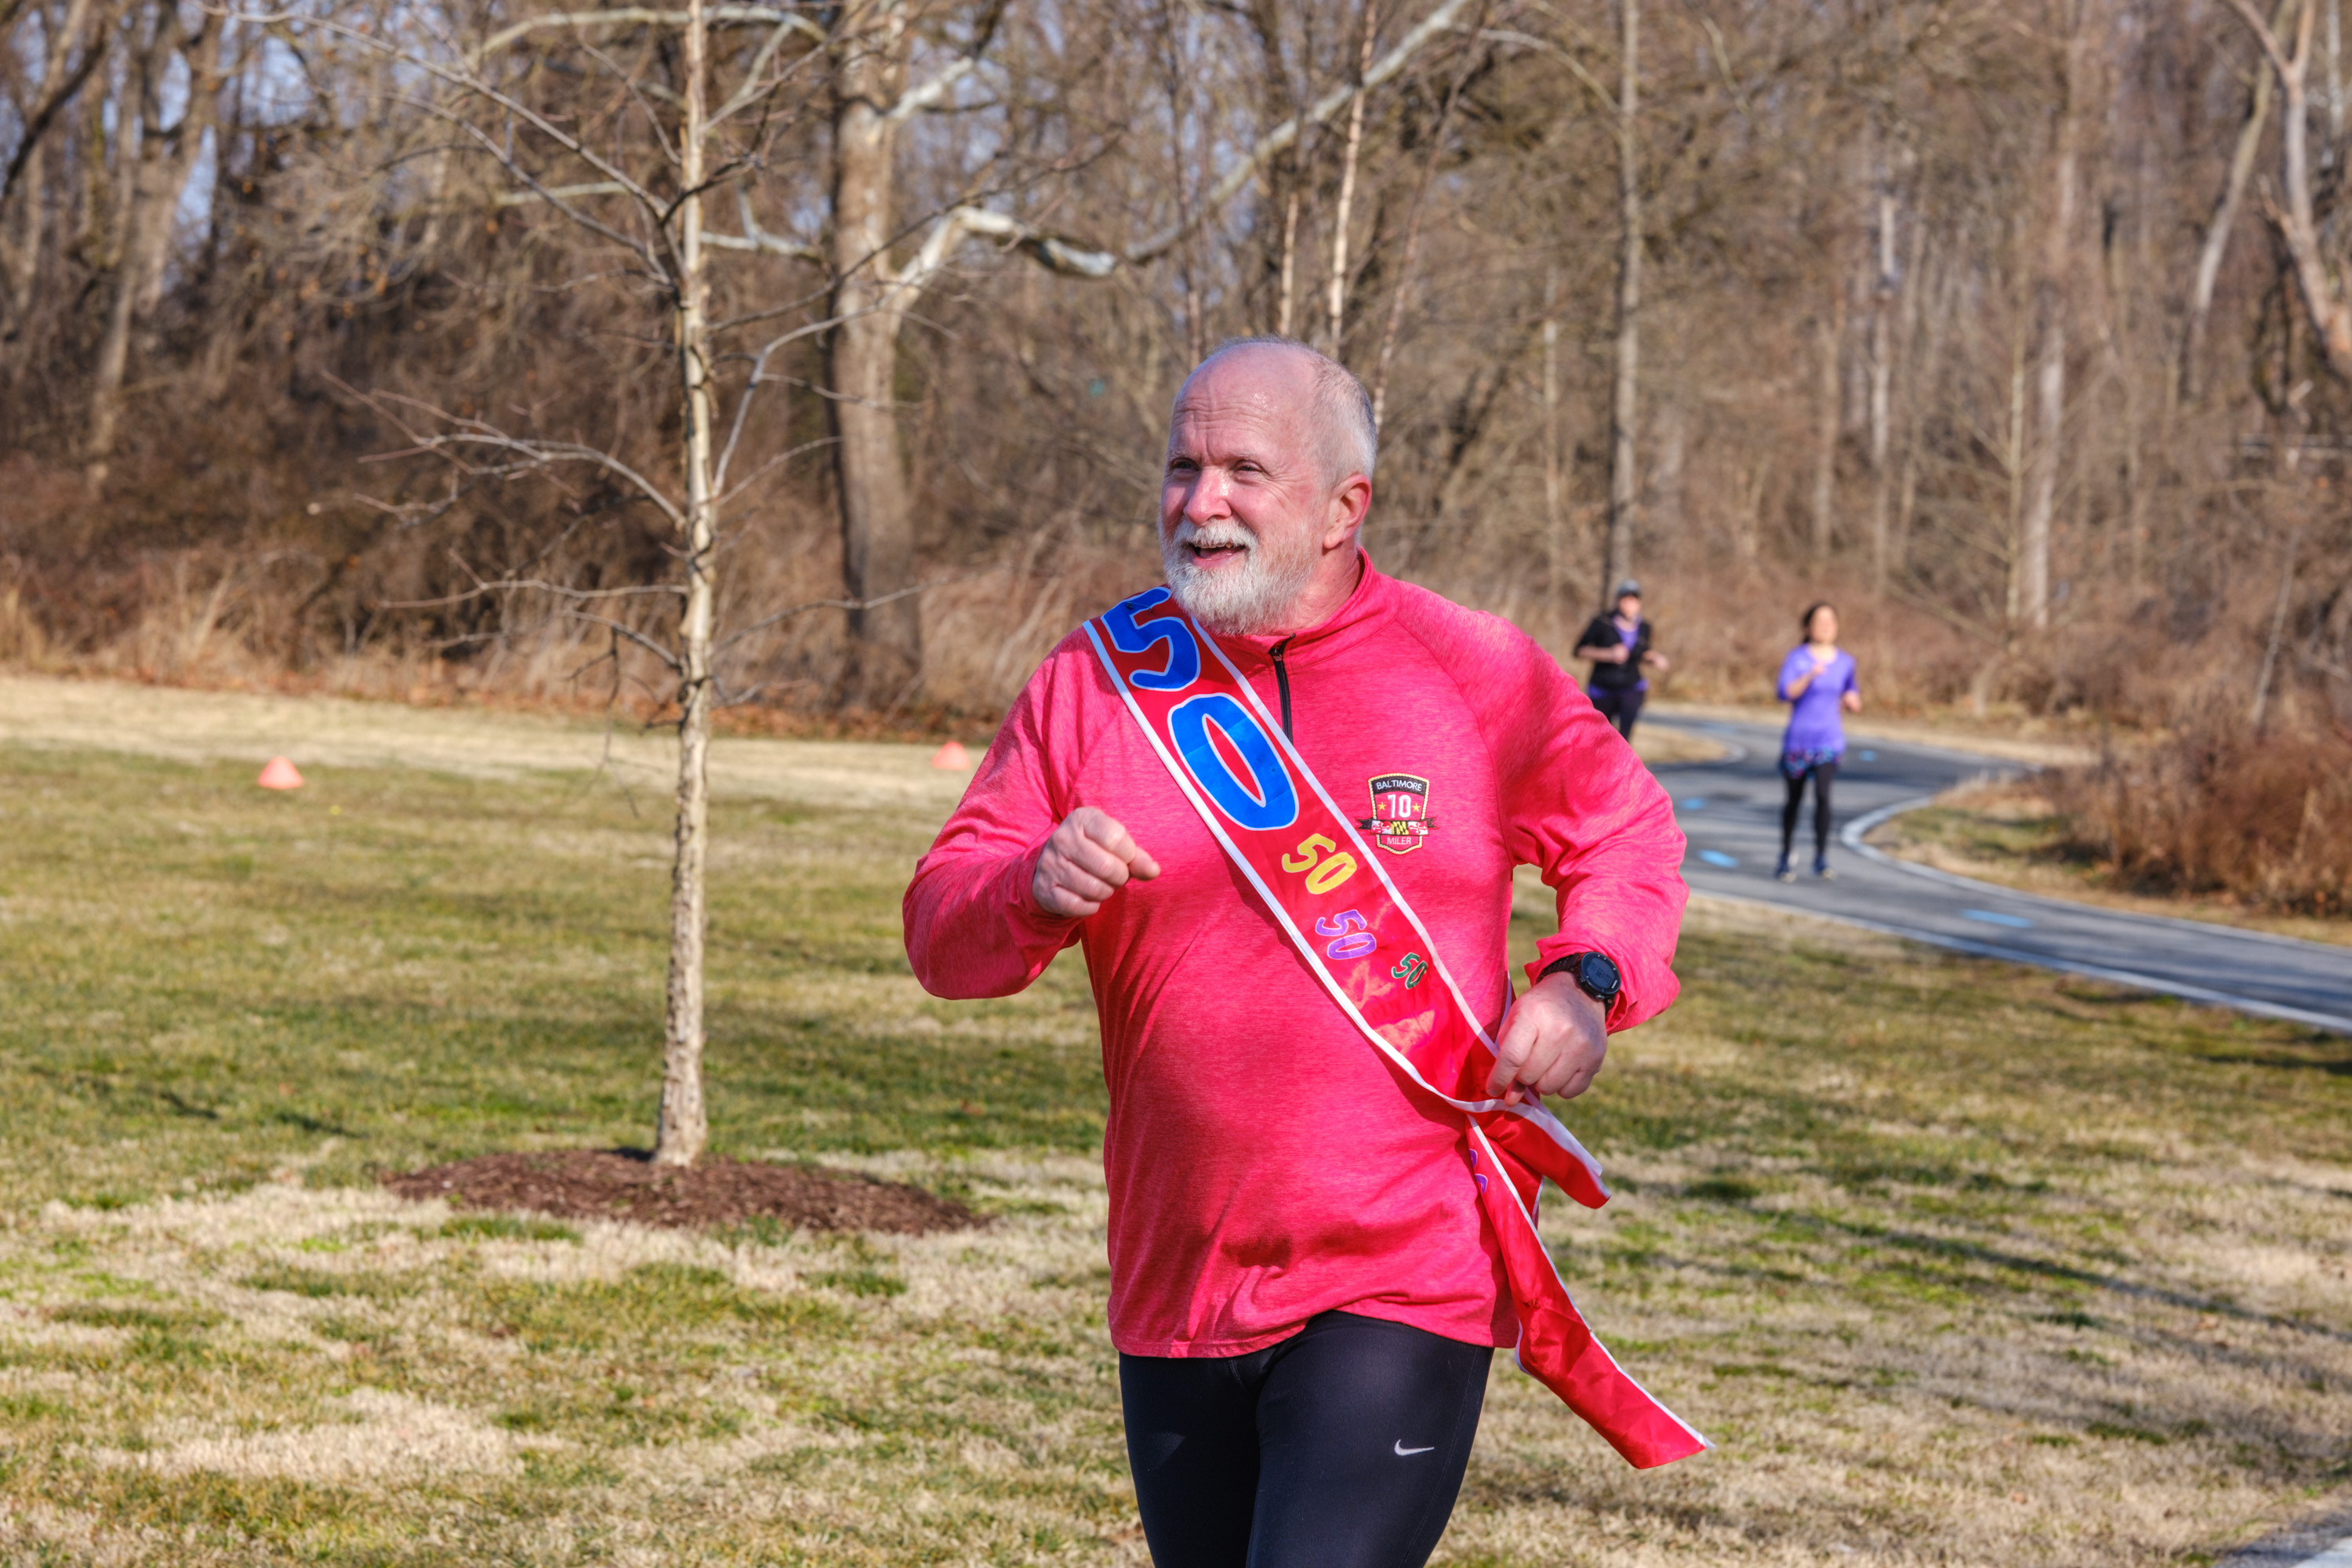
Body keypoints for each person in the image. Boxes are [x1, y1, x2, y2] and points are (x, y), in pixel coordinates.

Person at [903, 338, 1697, 1568]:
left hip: (1405, 1266)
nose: (1199, 501)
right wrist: (1027, 886)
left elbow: (1628, 835)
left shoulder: (1473, 669)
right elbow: (942, 934)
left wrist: (1587, 977)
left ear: (1343, 508)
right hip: (1178, 1275)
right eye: (1182, 465)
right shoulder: (1093, 681)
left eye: (1243, 471)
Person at [1773, 601, 1861, 881]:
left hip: (1829, 740)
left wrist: (1851, 701)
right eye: (1820, 620)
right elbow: (1785, 692)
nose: (1825, 626)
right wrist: (1810, 675)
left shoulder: (1846, 662)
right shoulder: (1797, 658)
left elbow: (1854, 697)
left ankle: (1821, 858)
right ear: (1808, 626)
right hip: (1798, 741)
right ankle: (1786, 856)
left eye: (1830, 621)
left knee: (1824, 796)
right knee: (1794, 801)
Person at [1573, 580, 1670, 742]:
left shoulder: (1644, 627)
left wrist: (1654, 658)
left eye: (1633, 599)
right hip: (1602, 688)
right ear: (1618, 600)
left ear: (1638, 603)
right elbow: (1579, 651)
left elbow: (1640, 652)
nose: (1629, 603)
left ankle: (1622, 765)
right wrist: (1609, 654)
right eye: (1626, 599)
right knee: (1602, 737)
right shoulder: (1602, 622)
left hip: (1631, 687)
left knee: (1624, 738)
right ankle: (1604, 765)